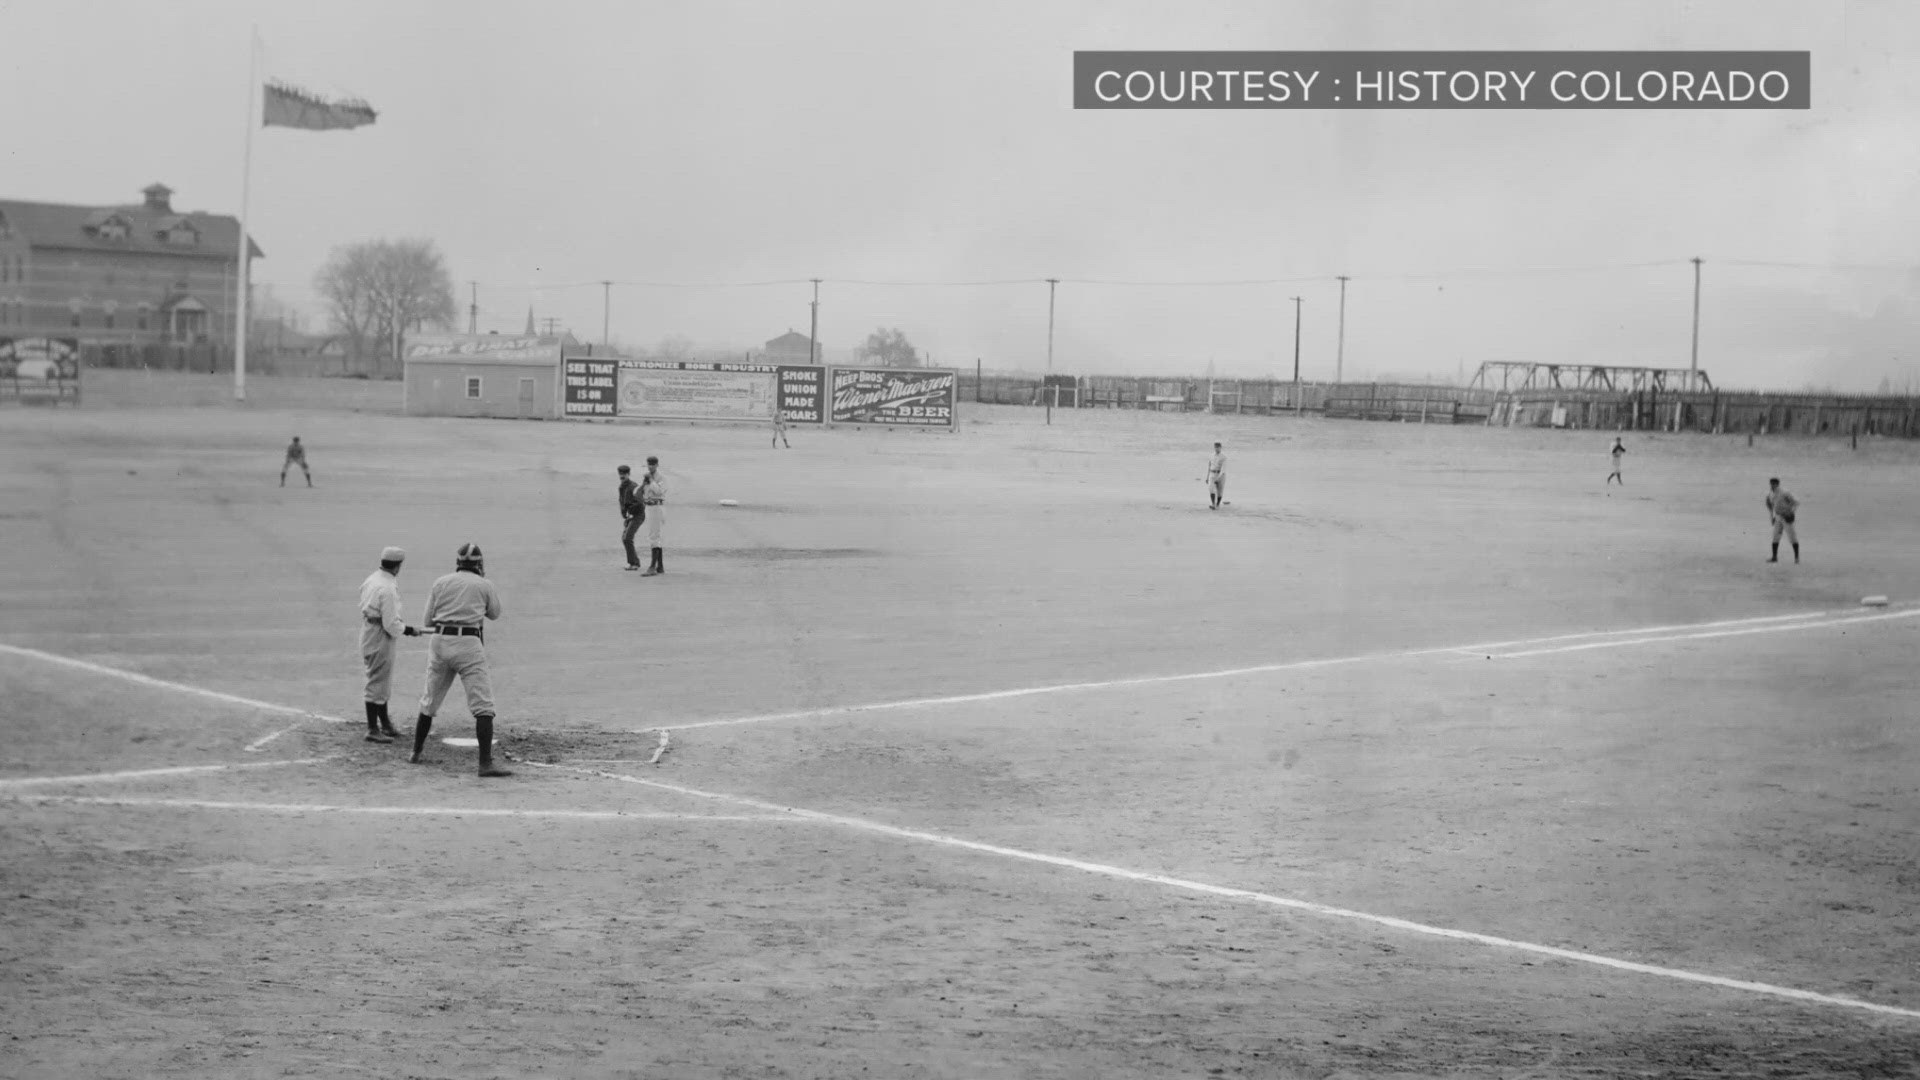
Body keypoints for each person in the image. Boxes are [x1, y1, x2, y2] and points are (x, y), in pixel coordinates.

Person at [408, 542, 511, 777]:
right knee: (483, 705)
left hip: (440, 642)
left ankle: (415, 752)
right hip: (468, 645)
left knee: (430, 700)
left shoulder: (441, 582)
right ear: (479, 565)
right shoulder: (484, 584)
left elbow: (428, 622)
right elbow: (494, 614)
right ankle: (485, 763)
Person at [357, 546, 418, 743]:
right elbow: (390, 624)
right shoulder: (388, 588)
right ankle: (373, 728)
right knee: (377, 680)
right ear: (398, 566)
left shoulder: (373, 578)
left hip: (368, 631)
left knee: (381, 680)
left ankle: (385, 723)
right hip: (380, 636)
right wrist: (408, 630)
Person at [640, 456, 667, 576]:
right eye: (649, 464)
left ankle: (652, 567)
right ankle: (660, 566)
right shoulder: (647, 476)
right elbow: (643, 492)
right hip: (649, 507)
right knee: (655, 536)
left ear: (657, 465)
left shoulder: (661, 477)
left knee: (654, 537)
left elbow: (659, 491)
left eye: (652, 464)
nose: (650, 466)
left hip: (657, 507)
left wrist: (651, 481)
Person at [1766, 478, 1800, 564]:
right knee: (1775, 537)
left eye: (1774, 484)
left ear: (1778, 484)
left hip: (1786, 517)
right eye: (1771, 484)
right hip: (1778, 517)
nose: (1772, 485)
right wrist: (1773, 517)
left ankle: (1796, 558)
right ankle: (1774, 557)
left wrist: (1791, 513)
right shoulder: (1770, 494)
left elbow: (1796, 502)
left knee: (1792, 536)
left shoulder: (1784, 493)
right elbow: (1772, 507)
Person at [617, 464, 644, 571]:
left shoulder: (633, 486)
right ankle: (633, 562)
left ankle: (634, 564)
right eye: (620, 474)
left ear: (629, 474)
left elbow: (641, 503)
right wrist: (625, 514)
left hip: (638, 515)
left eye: (624, 474)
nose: (622, 476)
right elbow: (621, 501)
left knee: (627, 538)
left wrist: (630, 511)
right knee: (625, 539)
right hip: (630, 516)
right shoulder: (621, 487)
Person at [1206, 442, 1226, 509]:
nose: (1217, 449)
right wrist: (1207, 477)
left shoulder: (1223, 457)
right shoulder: (1211, 456)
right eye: (1215, 447)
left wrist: (1218, 477)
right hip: (1212, 473)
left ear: (1220, 448)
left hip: (1221, 475)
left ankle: (1217, 504)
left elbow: (1223, 469)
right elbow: (1209, 466)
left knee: (1220, 491)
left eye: (1218, 447)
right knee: (1211, 488)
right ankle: (1213, 504)